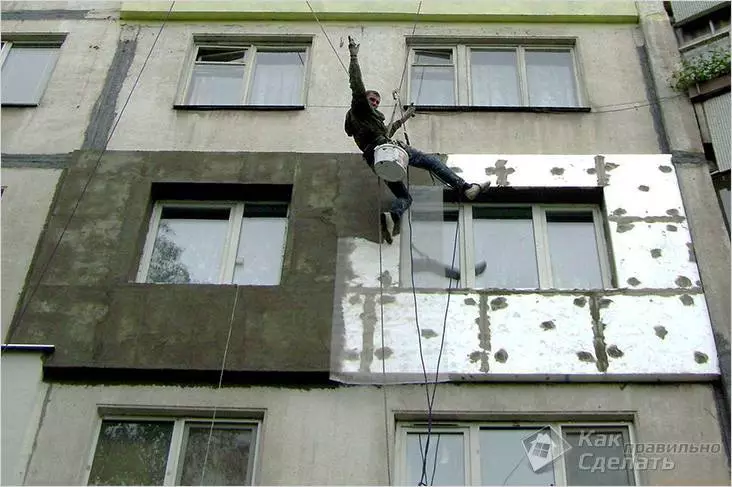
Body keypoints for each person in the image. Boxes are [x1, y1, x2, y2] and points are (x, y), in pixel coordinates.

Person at [344, 36, 490, 244]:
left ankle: (391, 216)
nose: (375, 103)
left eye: (376, 101)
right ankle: (466, 188)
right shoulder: (359, 108)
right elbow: (356, 84)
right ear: (365, 100)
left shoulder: (364, 123)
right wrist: (353, 56)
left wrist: (405, 117)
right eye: (372, 100)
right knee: (431, 162)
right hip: (386, 151)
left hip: (378, 159)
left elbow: (387, 131)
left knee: (405, 198)